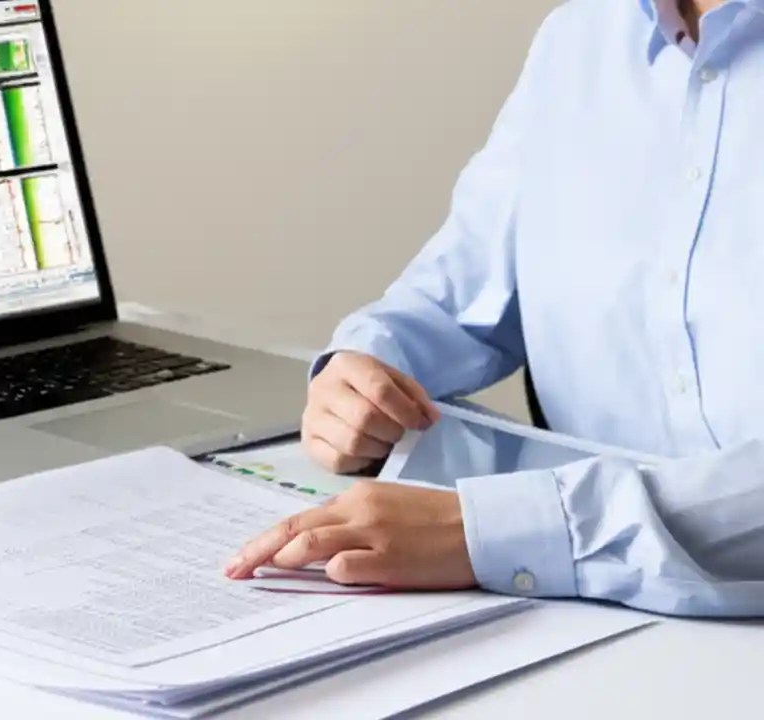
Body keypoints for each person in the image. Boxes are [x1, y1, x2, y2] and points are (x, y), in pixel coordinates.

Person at [224, 0, 764, 617]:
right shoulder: (579, 39)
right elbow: (461, 289)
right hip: (588, 617)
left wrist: (492, 530)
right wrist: (365, 368)